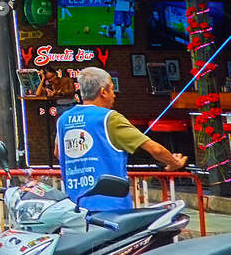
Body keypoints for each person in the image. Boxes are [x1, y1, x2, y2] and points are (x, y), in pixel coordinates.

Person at [58, 66, 188, 210]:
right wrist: (173, 163)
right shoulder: (109, 118)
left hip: (75, 206)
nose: (114, 95)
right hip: (110, 206)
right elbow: (155, 149)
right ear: (103, 92)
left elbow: (58, 153)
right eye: (112, 90)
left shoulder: (64, 119)